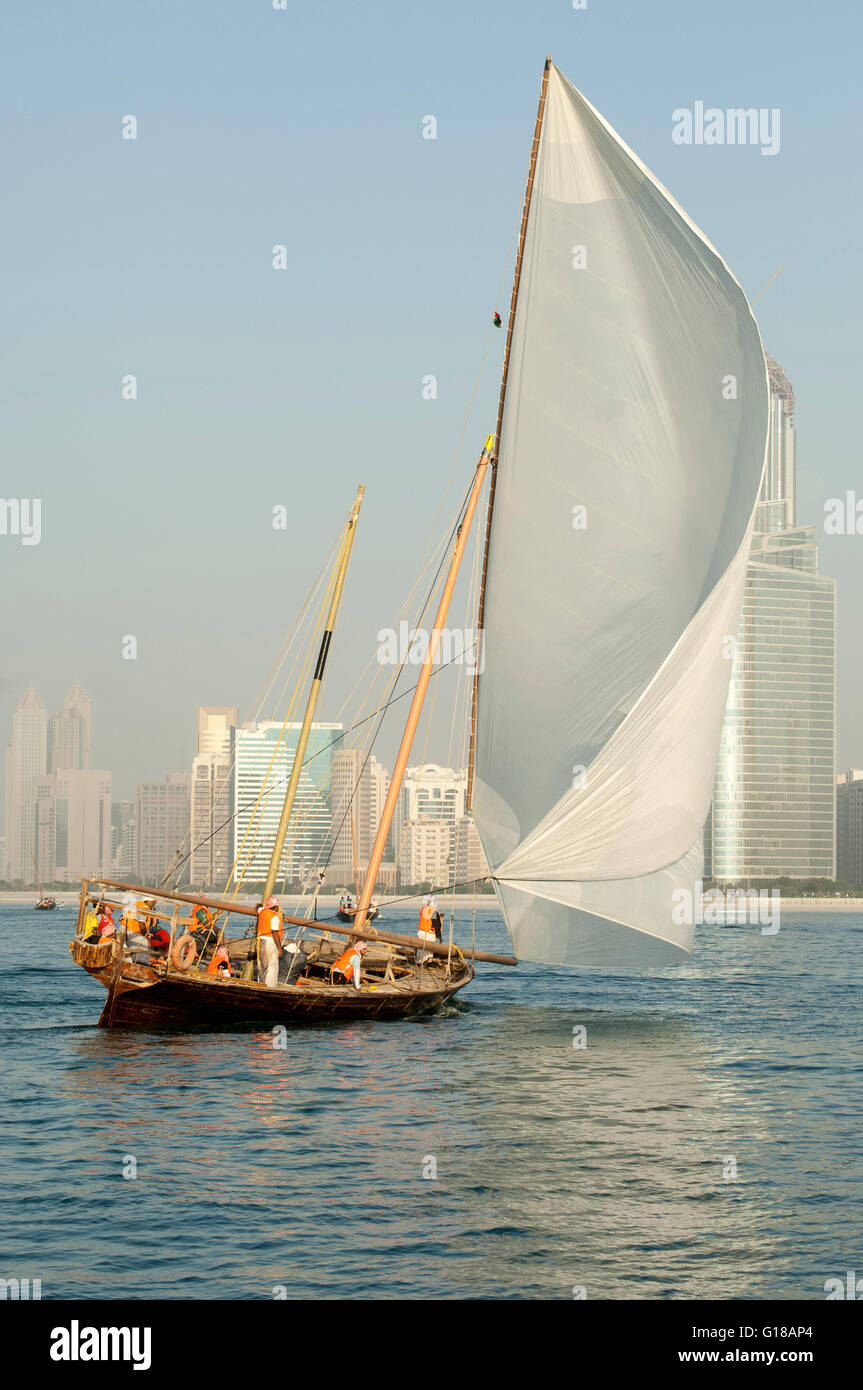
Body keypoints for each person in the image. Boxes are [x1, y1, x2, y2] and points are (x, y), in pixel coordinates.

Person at [256, 896, 283, 988]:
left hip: (261, 941)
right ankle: (269, 986)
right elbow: (275, 933)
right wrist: (279, 948)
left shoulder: (262, 912)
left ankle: (261, 984)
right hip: (270, 943)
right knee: (271, 966)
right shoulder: (274, 917)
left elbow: (258, 907)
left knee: (262, 965)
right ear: (276, 907)